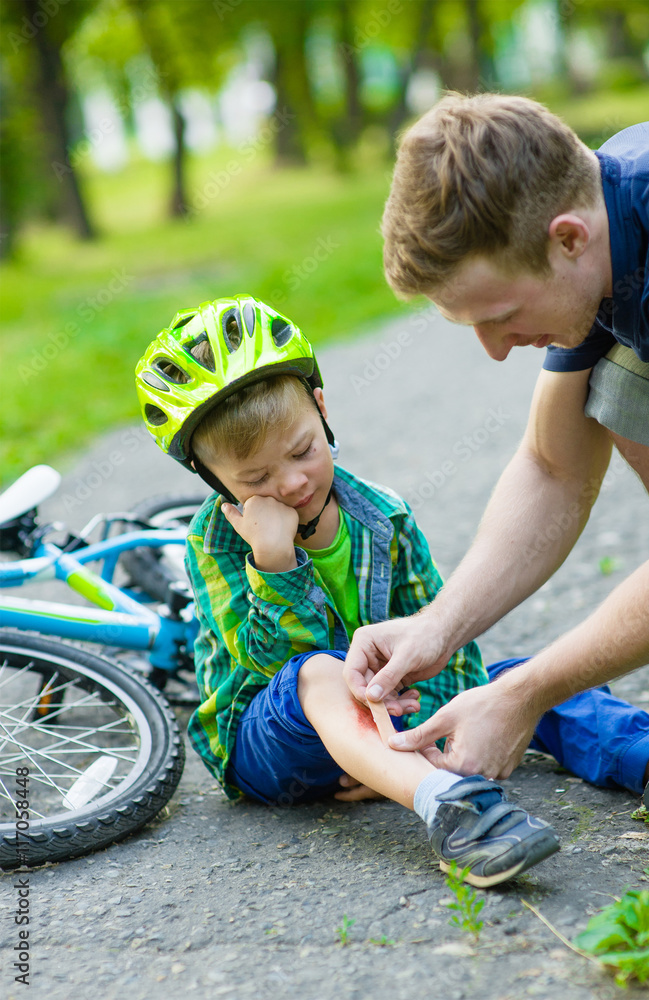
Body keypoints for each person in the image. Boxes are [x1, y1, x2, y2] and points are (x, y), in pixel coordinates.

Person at [343, 93, 649, 821]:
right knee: (619, 389)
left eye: (500, 317)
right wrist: (439, 624)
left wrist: (524, 693)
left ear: (567, 239)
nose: (493, 350)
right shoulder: (607, 220)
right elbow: (553, 467)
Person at [136, 293, 568, 887]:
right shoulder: (214, 545)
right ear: (212, 481)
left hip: (393, 721)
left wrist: (413, 740)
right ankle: (452, 806)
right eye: (255, 479)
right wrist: (276, 559)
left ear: (321, 409)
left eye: (303, 451)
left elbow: (437, 634)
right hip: (271, 742)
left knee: (522, 682)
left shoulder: (384, 517)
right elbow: (271, 666)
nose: (290, 483)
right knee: (317, 672)